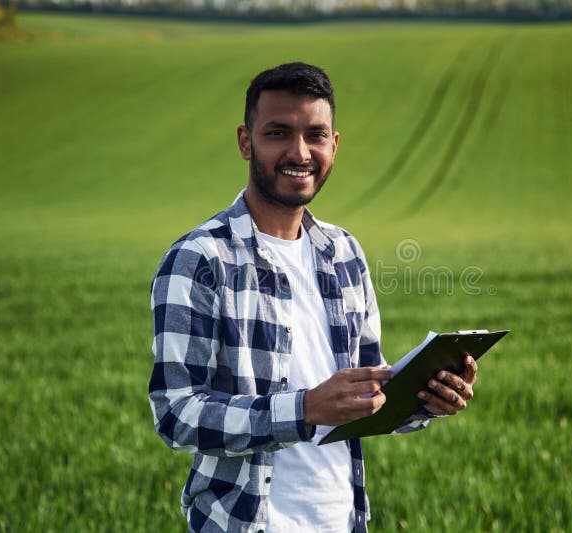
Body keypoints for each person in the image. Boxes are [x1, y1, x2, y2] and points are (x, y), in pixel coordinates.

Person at [149, 62, 477, 533]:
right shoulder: (199, 259)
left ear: (334, 145)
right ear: (246, 141)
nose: (299, 152)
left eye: (315, 135)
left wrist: (426, 397)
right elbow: (176, 414)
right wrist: (303, 410)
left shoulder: (343, 252)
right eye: (278, 133)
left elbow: (368, 392)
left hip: (342, 519)